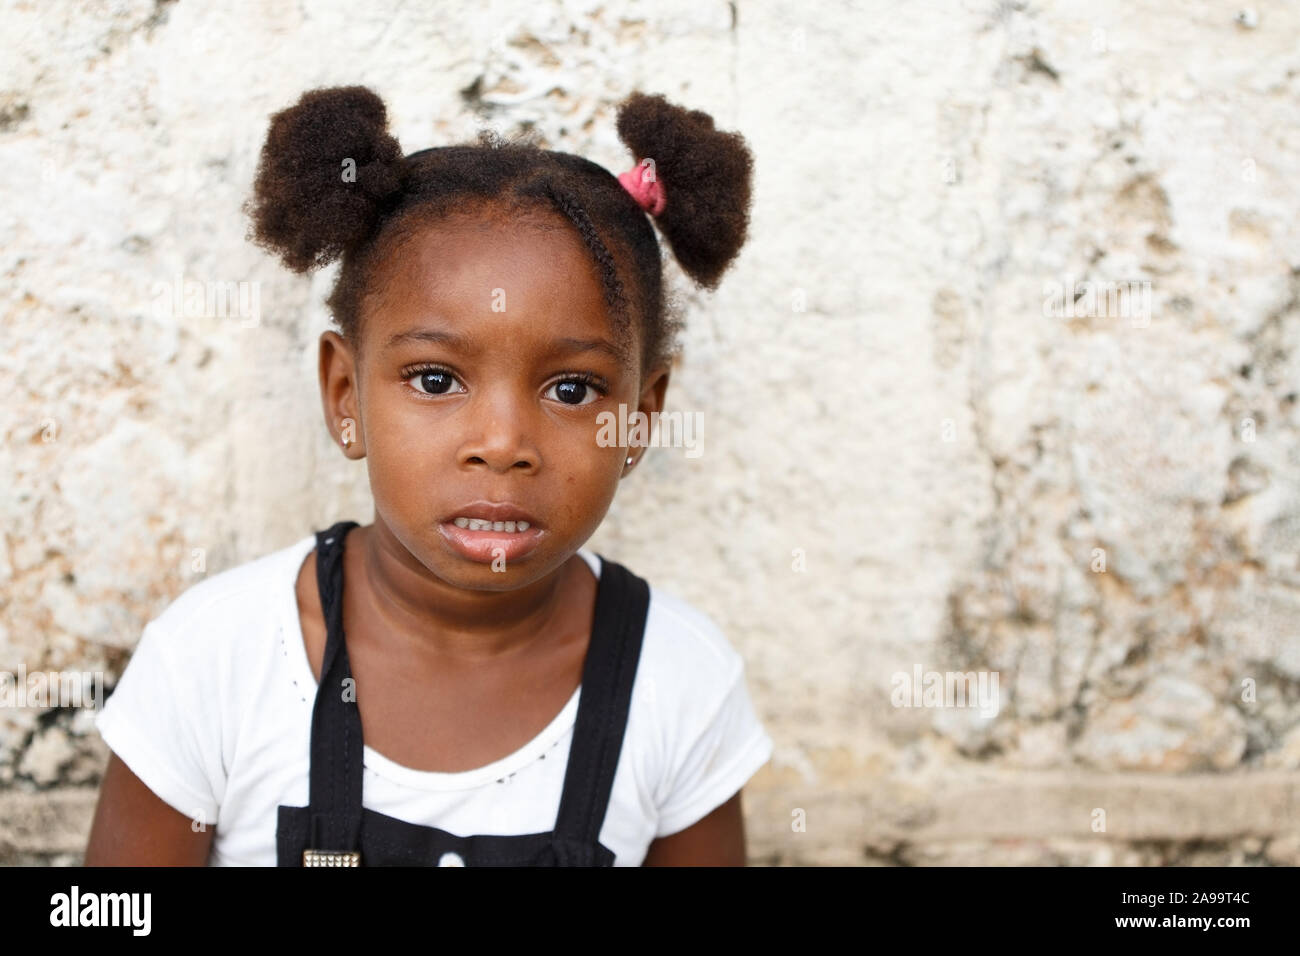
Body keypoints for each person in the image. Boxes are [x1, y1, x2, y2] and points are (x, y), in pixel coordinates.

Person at [84, 84, 771, 866]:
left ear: (640, 418)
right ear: (346, 397)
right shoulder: (213, 660)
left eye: (572, 390)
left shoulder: (679, 682)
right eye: (437, 380)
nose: (502, 443)